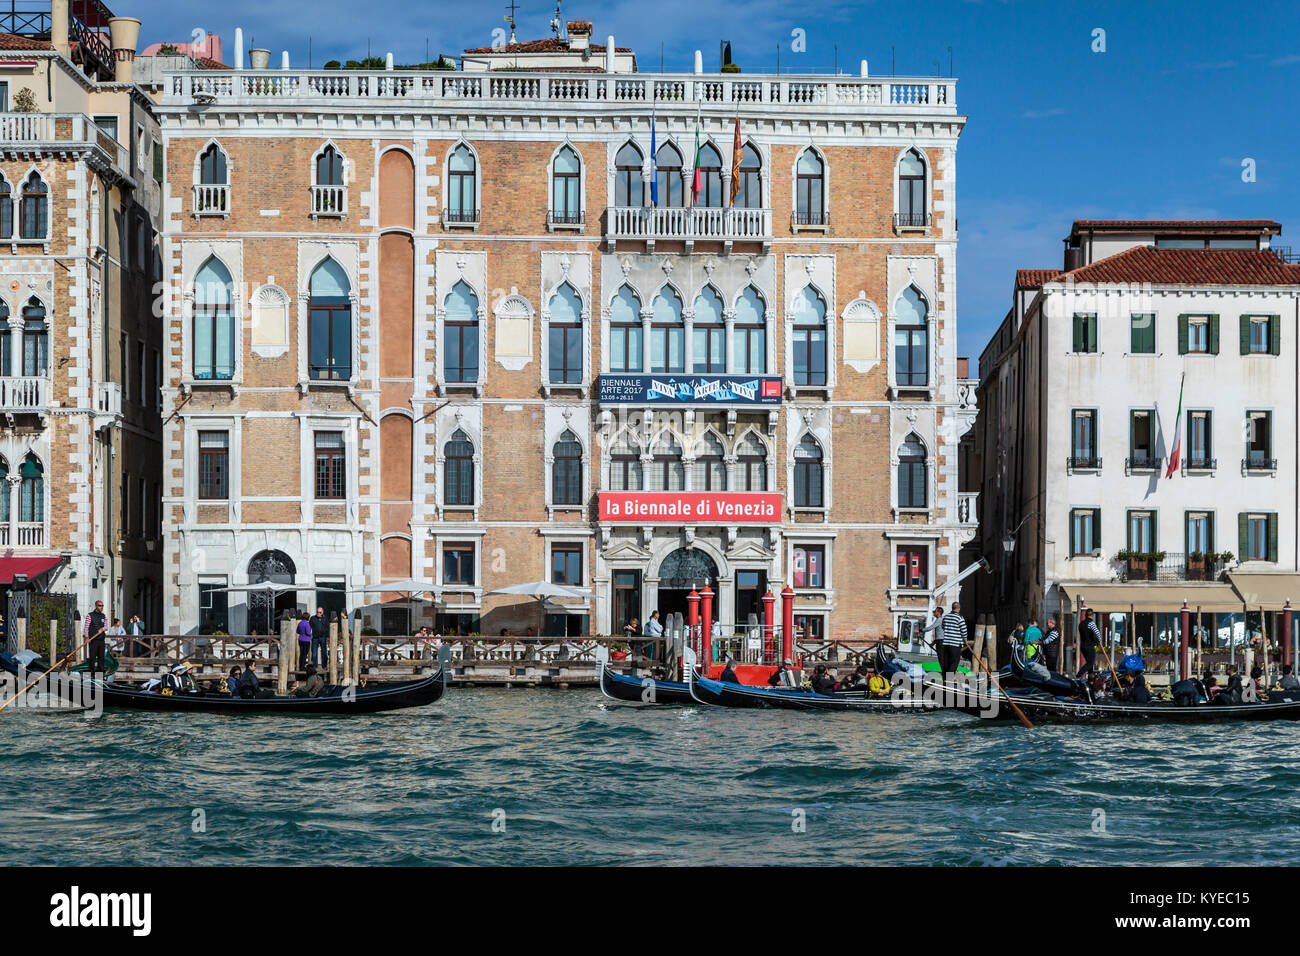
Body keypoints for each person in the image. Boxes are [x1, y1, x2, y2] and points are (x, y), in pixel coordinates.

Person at [935, 602, 968, 684]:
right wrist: (965, 640)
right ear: (959, 608)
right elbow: (964, 630)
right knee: (954, 662)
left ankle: (945, 680)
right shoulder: (960, 618)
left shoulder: (946, 617)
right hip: (955, 644)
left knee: (946, 663)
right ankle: (948, 680)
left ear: (952, 608)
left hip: (945, 643)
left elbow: (943, 627)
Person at [83, 600, 109, 674]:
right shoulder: (89, 615)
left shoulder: (104, 616)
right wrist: (87, 637)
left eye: (102, 606)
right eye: (100, 605)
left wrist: (102, 629)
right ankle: (92, 673)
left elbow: (106, 626)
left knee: (101, 658)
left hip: (101, 640)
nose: (101, 607)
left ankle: (100, 674)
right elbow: (86, 628)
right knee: (92, 657)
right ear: (96, 606)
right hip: (93, 640)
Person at [1076, 608, 1101, 680]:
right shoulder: (1091, 623)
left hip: (1083, 646)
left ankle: (1091, 679)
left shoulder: (1081, 624)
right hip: (1089, 646)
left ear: (1085, 615)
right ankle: (1078, 675)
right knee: (1090, 663)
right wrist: (1099, 640)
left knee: (1090, 664)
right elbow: (1097, 632)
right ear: (1092, 615)